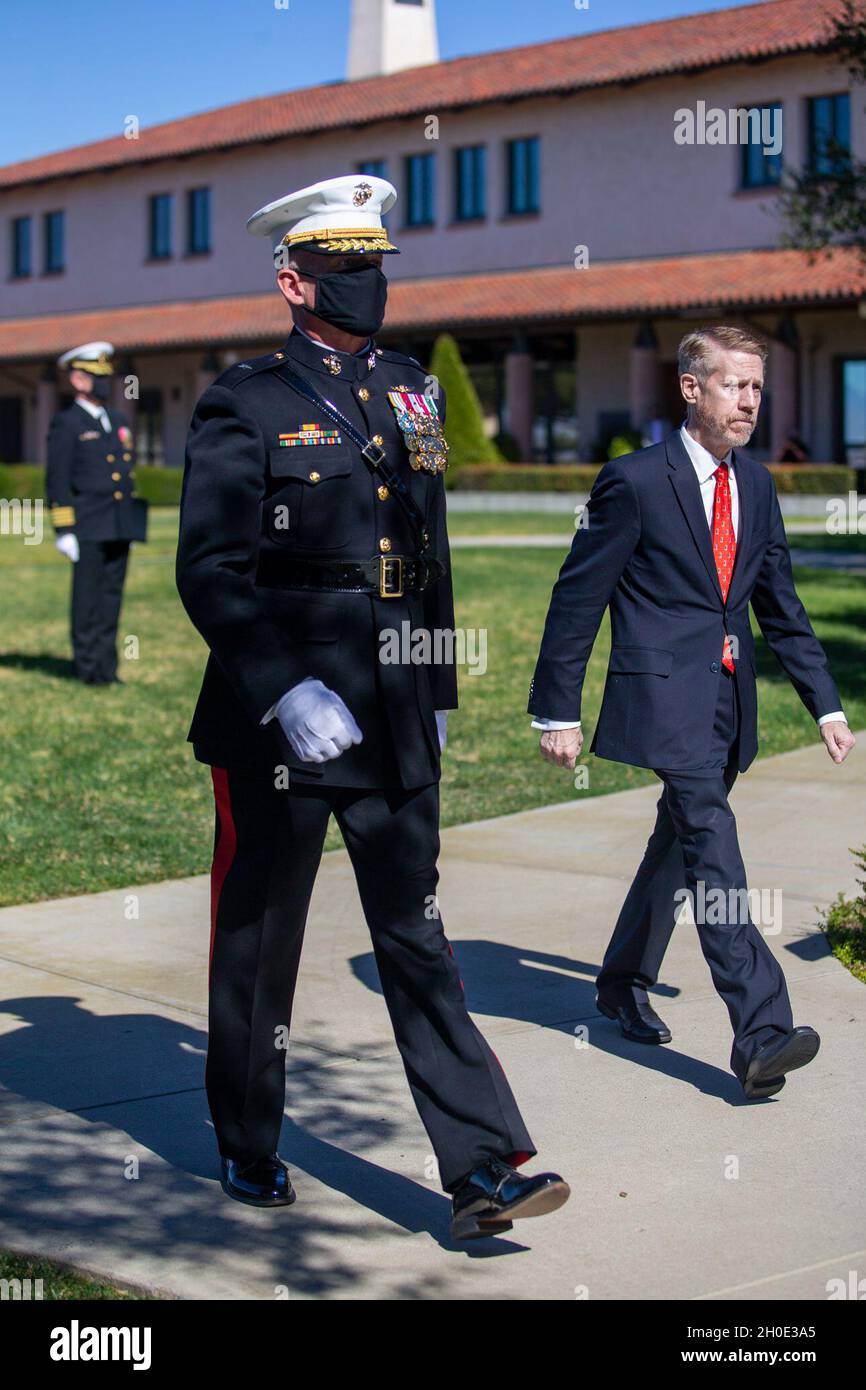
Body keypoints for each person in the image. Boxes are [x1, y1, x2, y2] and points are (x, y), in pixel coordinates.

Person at [176, 175, 569, 1238]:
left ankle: (483, 1165)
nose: (366, 289)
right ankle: (246, 1140)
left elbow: (425, 552)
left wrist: (434, 687)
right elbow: (209, 570)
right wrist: (281, 684)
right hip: (282, 714)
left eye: (375, 270)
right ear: (293, 281)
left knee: (418, 932)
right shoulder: (242, 399)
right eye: (345, 273)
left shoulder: (409, 388)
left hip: (393, 702)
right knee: (262, 940)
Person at [529, 325, 855, 1099]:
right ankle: (762, 1030)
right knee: (712, 843)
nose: (749, 403)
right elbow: (579, 596)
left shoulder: (758, 485)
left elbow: (781, 605)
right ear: (690, 387)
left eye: (756, 388)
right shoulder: (635, 481)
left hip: (727, 702)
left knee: (678, 842)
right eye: (735, 386)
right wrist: (555, 711)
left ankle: (620, 981)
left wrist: (826, 704)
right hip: (662, 694)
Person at [46, 342, 147, 684]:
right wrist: (64, 530)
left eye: (106, 377)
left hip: (118, 522)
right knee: (87, 600)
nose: (105, 383)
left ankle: (108, 667)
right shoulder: (67, 422)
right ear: (77, 379)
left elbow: (125, 474)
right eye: (95, 376)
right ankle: (87, 668)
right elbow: (57, 479)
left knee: (111, 599)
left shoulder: (116, 420)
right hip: (87, 525)